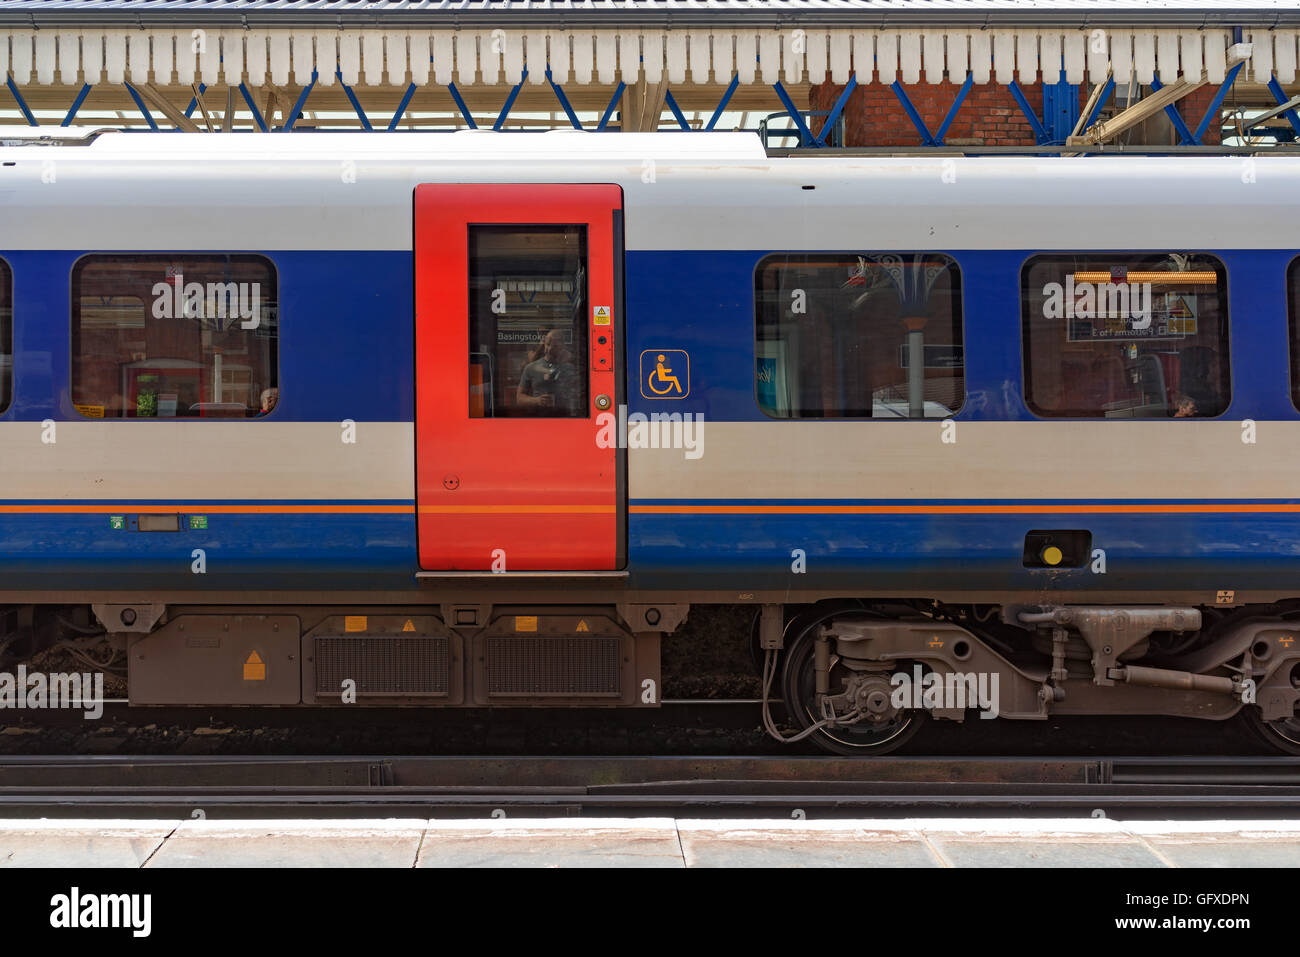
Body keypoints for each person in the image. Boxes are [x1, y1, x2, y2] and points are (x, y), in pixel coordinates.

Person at [516, 329, 579, 414]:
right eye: (548, 344)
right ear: (544, 344)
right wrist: (537, 400)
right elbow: (519, 399)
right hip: (539, 417)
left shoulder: (570, 368)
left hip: (565, 417)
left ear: (562, 346)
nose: (549, 349)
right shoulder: (531, 368)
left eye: (555, 346)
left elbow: (579, 396)